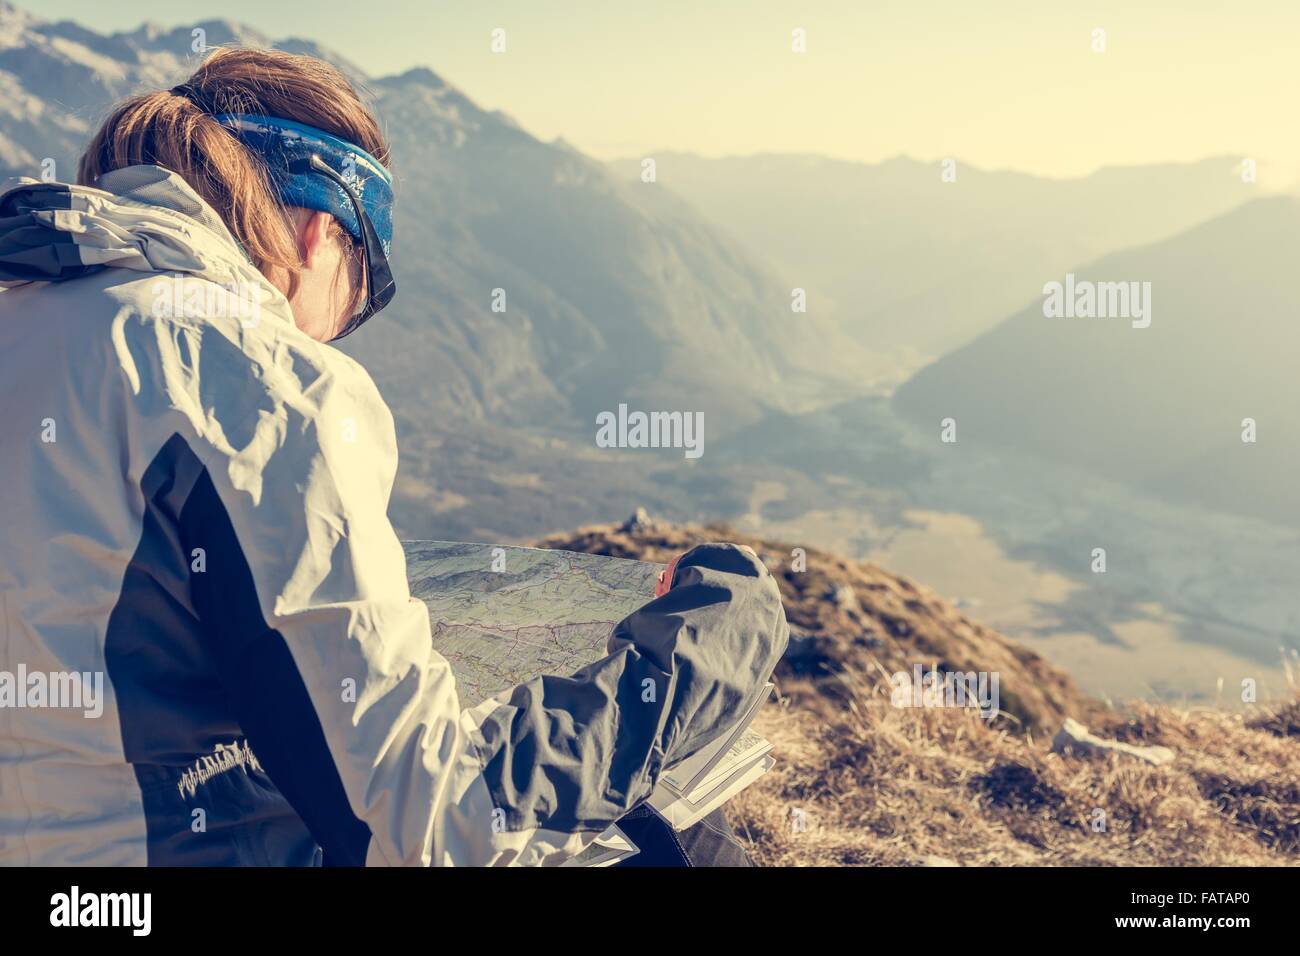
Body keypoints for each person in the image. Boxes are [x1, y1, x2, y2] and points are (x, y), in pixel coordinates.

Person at [0, 48, 787, 866]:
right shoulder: (246, 373)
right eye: (366, 275)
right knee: (666, 826)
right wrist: (696, 658)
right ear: (320, 231)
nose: (338, 329)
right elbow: (433, 830)